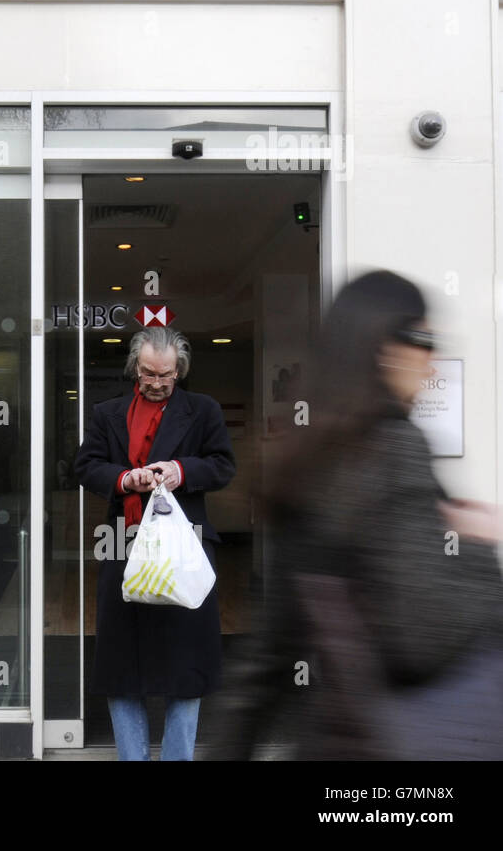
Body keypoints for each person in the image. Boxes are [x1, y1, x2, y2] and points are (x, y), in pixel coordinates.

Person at [213, 270, 503, 759]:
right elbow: (423, 642)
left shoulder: (308, 463)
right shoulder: (397, 450)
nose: (432, 365)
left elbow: (266, 662)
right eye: (425, 340)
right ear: (383, 344)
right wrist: (477, 551)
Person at [74, 325, 235, 760]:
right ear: (135, 368)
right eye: (149, 373)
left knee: (187, 664)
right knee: (121, 664)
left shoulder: (203, 410)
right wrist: (126, 478)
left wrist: (179, 471)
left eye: (167, 374)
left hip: (185, 546)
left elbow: (222, 466)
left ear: (179, 370)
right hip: (123, 545)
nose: (159, 382)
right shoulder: (107, 412)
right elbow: (85, 466)